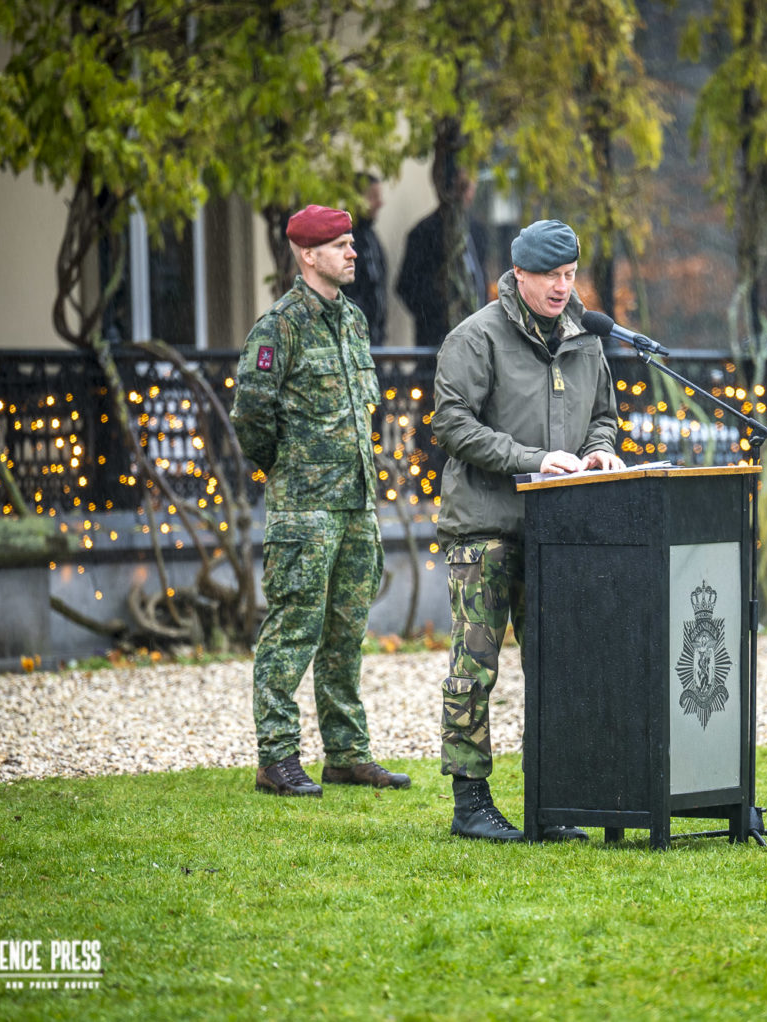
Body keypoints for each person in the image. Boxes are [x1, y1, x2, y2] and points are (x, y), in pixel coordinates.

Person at [431, 218, 625, 841]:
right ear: (520, 275)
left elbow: (603, 416)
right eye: (550, 277)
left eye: (570, 276)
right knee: (476, 665)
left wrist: (598, 452)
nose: (562, 288)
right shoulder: (476, 337)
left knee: (559, 665)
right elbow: (451, 425)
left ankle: (554, 798)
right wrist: (532, 458)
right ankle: (471, 805)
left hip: (558, 527)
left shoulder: (585, 337)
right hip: (486, 527)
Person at [231, 203, 411, 796]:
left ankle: (347, 752)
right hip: (305, 508)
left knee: (345, 633)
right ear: (308, 255)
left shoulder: (354, 321)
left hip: (357, 503)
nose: (352, 253)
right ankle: (277, 758)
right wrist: (288, 468)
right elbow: (251, 414)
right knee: (292, 630)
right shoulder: (278, 327)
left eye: (351, 244)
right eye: (339, 245)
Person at [395, 173, 487, 347]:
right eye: (462, 188)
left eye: (467, 187)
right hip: (436, 339)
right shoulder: (425, 233)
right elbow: (406, 286)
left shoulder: (475, 231)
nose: (466, 195)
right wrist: (435, 312)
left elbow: (480, 277)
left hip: (474, 336)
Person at [340, 175, 388, 346]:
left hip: (373, 341)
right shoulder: (345, 239)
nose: (379, 203)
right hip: (353, 341)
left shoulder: (371, 238)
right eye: (373, 196)